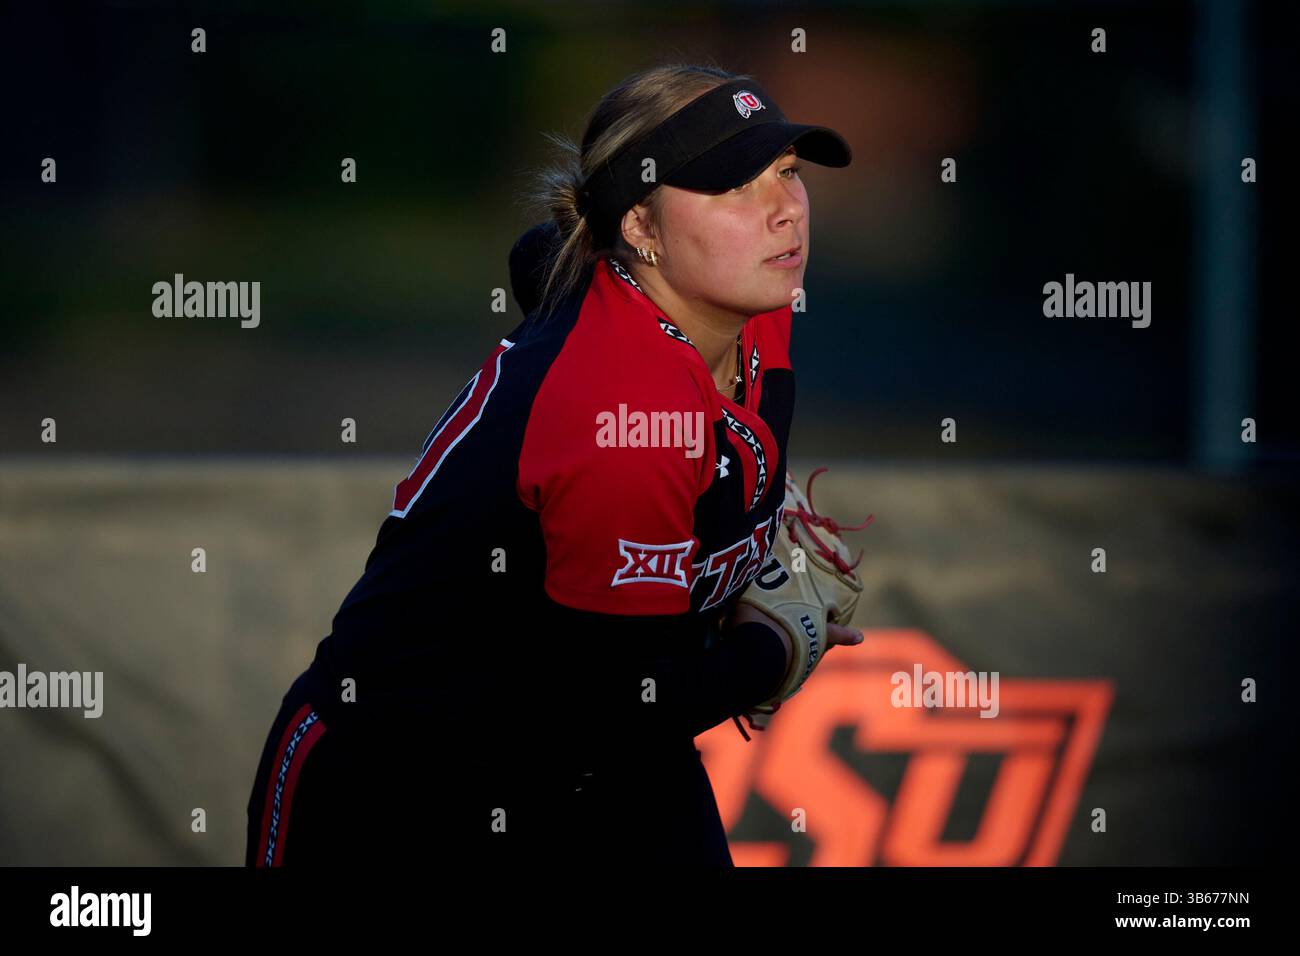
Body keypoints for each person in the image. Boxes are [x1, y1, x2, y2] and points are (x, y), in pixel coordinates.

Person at [246, 62, 861, 868]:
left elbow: (543, 255)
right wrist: (772, 650)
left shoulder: (742, 305)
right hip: (400, 787)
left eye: (785, 172)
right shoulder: (625, 417)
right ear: (641, 227)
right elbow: (620, 707)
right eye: (732, 187)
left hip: (587, 766)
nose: (784, 209)